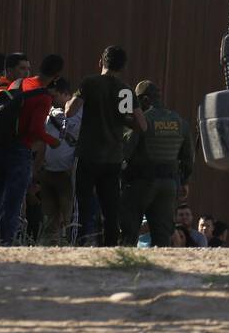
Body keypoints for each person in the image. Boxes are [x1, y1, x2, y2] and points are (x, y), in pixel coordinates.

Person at [66, 46, 144, 246]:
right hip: (113, 158)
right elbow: (139, 124)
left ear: (101, 62)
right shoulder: (125, 90)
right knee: (110, 208)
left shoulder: (90, 83)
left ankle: (80, 244)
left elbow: (70, 111)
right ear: (123, 66)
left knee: (82, 205)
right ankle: (110, 247)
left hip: (87, 154)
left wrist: (67, 104)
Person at [0, 53, 63, 244]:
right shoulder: (43, 96)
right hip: (20, 151)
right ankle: (5, 243)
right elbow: (35, 129)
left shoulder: (19, 84)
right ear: (56, 76)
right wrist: (53, 141)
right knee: (13, 203)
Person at [118, 80, 193, 247]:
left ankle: (124, 270)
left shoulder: (142, 120)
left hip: (141, 183)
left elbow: (127, 150)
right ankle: (160, 272)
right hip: (169, 185)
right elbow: (187, 157)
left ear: (144, 100)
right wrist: (185, 181)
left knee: (129, 233)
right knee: (162, 237)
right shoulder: (179, 122)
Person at [39, 78, 80, 245]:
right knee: (50, 218)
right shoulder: (48, 114)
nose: (52, 100)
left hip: (67, 173)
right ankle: (51, 249)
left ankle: (70, 246)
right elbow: (43, 142)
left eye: (55, 96)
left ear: (66, 95)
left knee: (69, 216)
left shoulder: (79, 114)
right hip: (48, 172)